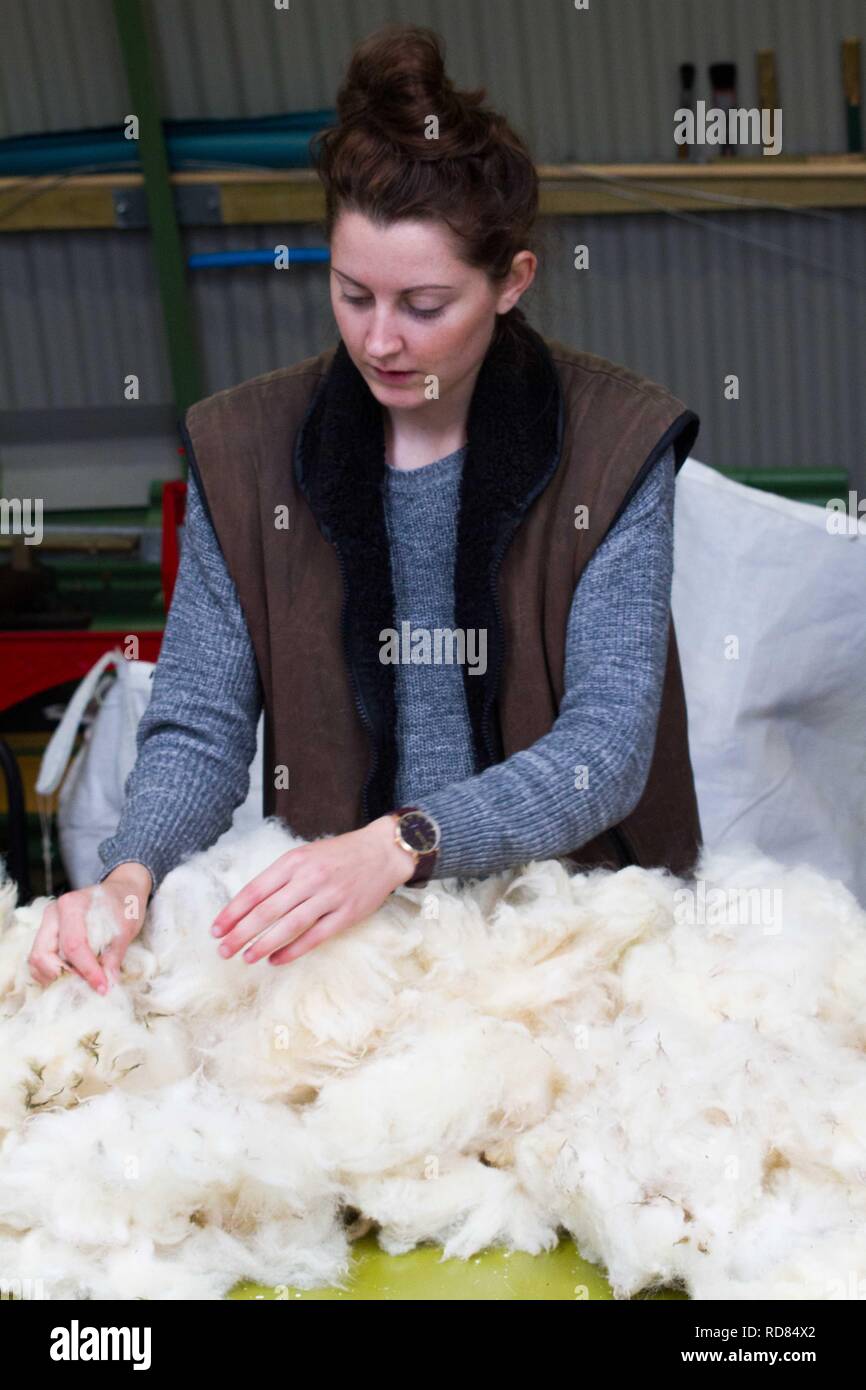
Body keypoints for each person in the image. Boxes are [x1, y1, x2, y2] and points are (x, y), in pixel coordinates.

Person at [28, 22, 701, 996]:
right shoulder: (251, 448)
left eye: (423, 306)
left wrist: (402, 842)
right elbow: (201, 722)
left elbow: (604, 747)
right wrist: (131, 873)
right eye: (351, 296)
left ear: (511, 282)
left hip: (576, 945)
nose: (379, 340)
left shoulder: (612, 444)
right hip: (349, 961)